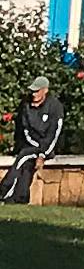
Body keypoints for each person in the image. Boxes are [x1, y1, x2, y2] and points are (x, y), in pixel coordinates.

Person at [2, 71, 65, 205]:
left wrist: (42, 153)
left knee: (23, 156)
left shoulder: (55, 107)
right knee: (27, 164)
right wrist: (36, 148)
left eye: (37, 91)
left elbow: (54, 133)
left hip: (47, 148)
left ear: (45, 90)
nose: (34, 94)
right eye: (33, 91)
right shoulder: (26, 106)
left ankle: (3, 190)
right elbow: (26, 130)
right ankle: (19, 198)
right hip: (31, 145)